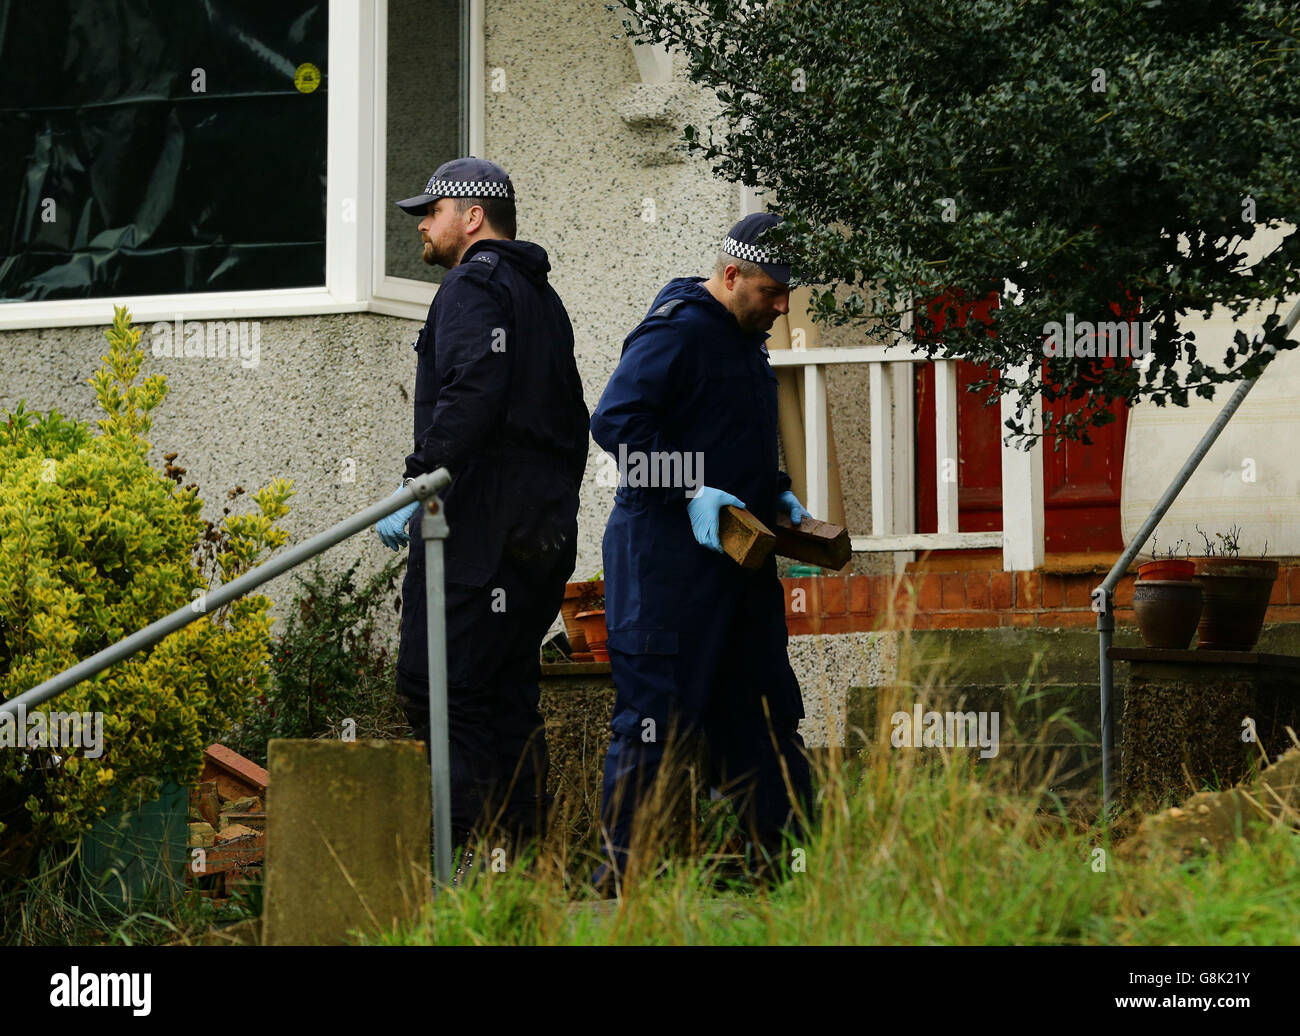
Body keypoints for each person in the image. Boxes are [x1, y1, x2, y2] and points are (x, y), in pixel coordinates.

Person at [589, 212, 815, 890]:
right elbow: (617, 425)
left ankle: (789, 880)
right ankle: (619, 892)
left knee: (766, 720)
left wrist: (776, 493)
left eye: (786, 296)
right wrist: (689, 488)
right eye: (772, 292)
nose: (781, 307)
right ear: (730, 274)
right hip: (665, 573)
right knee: (652, 727)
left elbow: (727, 433)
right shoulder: (679, 330)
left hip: (739, 573)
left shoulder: (745, 343)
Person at [375, 158, 588, 873]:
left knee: (438, 683)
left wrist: (418, 485)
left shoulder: (473, 283)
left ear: (472, 216)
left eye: (431, 212)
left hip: (480, 532)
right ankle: (521, 866)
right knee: (505, 692)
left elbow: (472, 389)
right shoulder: (542, 298)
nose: (422, 229)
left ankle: (467, 864)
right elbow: (574, 418)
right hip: (540, 534)